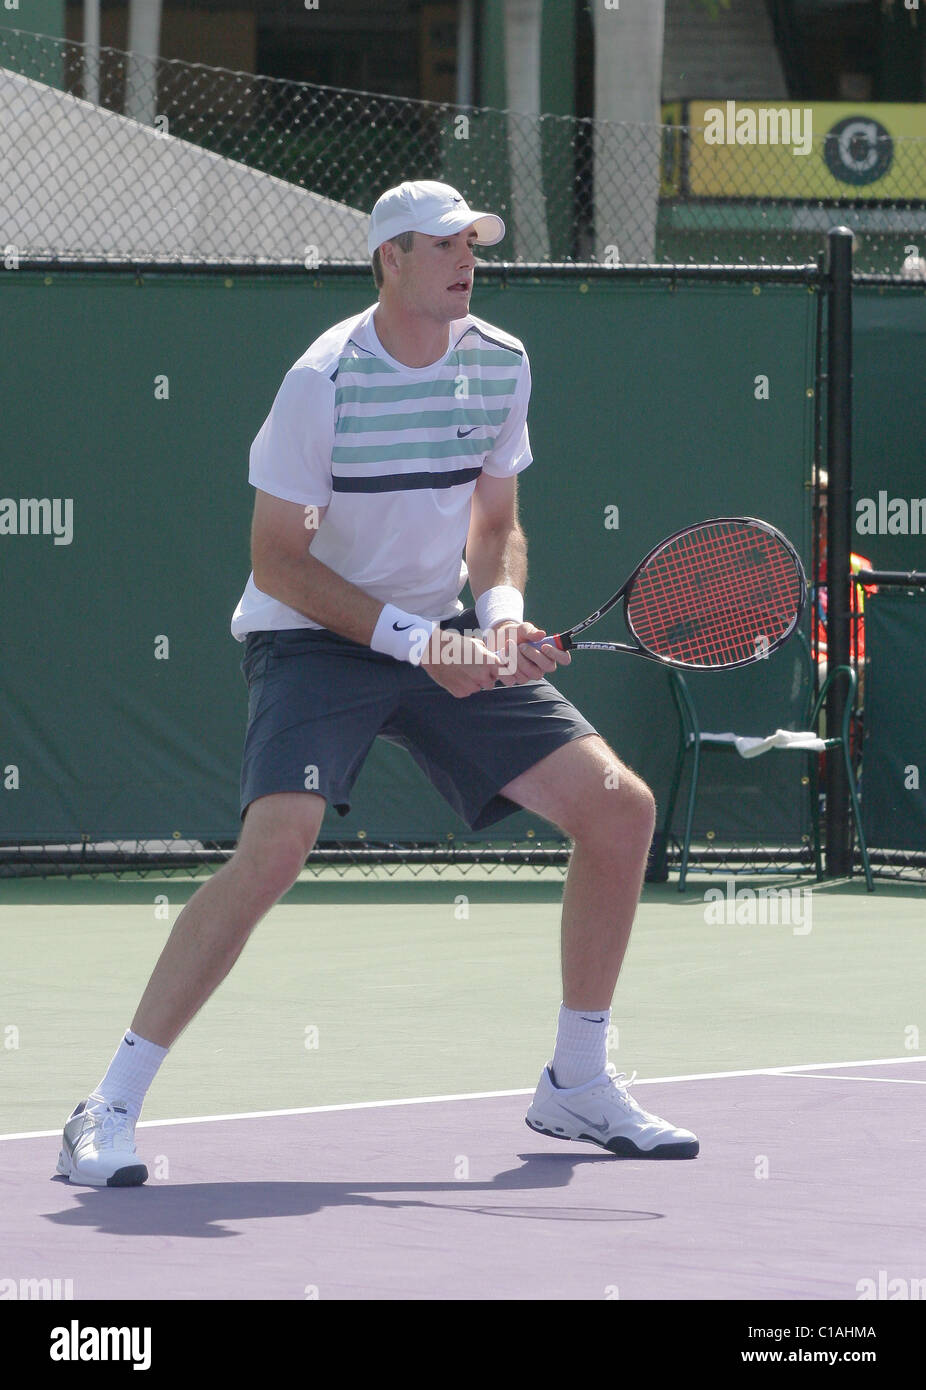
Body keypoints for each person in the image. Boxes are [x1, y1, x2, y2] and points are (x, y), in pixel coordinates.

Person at [57, 180, 698, 1188]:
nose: (466, 259)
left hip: (436, 627)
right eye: (441, 244)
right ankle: (107, 1108)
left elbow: (494, 528)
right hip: (313, 634)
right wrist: (410, 639)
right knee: (275, 848)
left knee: (619, 809)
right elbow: (278, 560)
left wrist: (496, 621)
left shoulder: (499, 364)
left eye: (472, 244)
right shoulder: (324, 379)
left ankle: (575, 1082)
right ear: (388, 260)